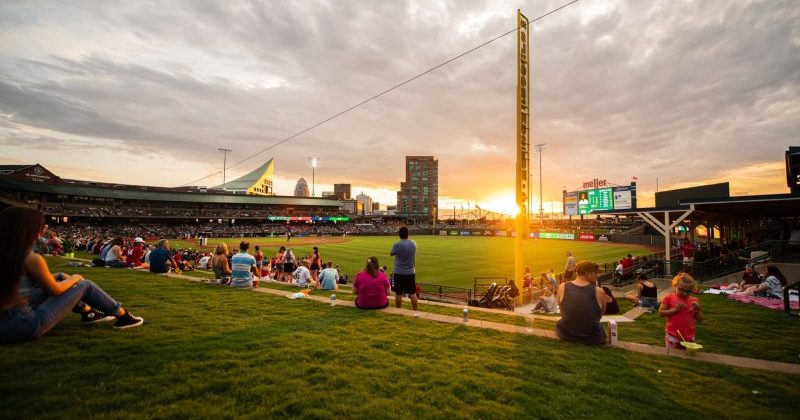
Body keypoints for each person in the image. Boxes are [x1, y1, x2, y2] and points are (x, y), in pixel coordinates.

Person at [0, 207, 143, 344]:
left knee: (61, 276)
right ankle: (124, 316)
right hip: (23, 324)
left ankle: (88, 313)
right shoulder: (30, 258)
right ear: (32, 231)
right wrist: (76, 278)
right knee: (85, 285)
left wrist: (59, 276)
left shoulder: (10, 253)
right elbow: (54, 290)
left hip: (5, 321)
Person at [555, 260, 606, 345]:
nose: (598, 275)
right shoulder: (599, 291)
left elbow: (563, 312)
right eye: (595, 273)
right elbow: (598, 316)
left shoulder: (562, 287)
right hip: (593, 337)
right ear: (587, 274)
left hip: (566, 334)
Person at [659, 273, 703, 350]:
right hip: (673, 335)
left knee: (687, 358)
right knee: (673, 355)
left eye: (688, 291)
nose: (685, 293)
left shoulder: (694, 300)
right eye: (682, 290)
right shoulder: (669, 297)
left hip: (689, 336)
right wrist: (674, 310)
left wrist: (698, 310)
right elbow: (661, 313)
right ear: (675, 286)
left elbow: (700, 320)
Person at [390, 226, 417, 311]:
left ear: (399, 234)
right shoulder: (413, 243)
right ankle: (415, 311)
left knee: (398, 294)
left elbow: (391, 253)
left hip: (398, 272)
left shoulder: (397, 244)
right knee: (413, 293)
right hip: (410, 272)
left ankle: (398, 311)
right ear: (408, 234)